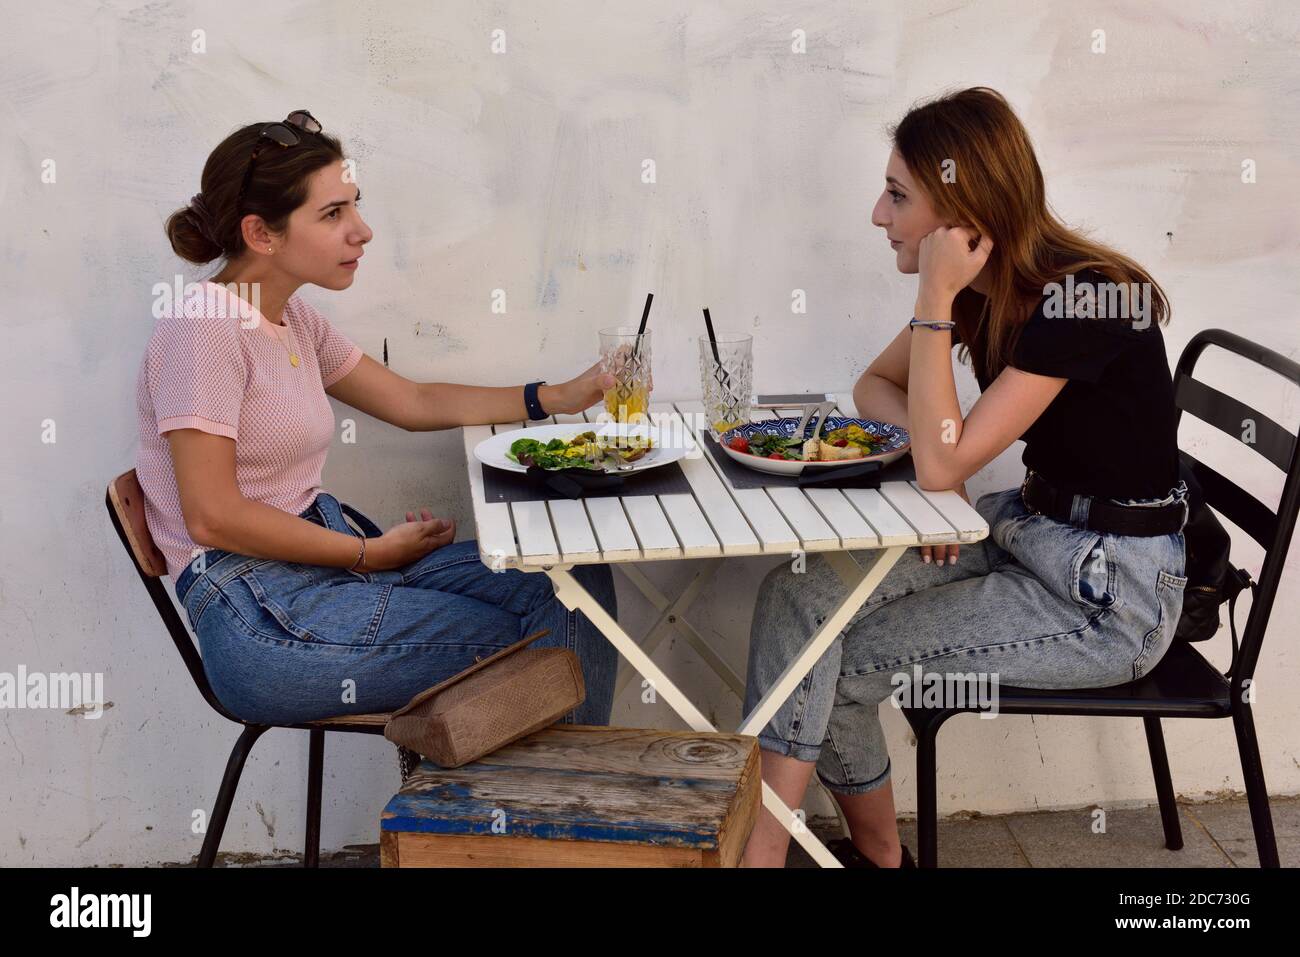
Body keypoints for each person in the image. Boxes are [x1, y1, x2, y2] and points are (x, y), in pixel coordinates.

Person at [741, 88, 1189, 867]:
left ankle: (778, 855)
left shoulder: (1087, 301)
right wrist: (943, 475)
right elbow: (873, 391)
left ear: (959, 209)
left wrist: (936, 296)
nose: (878, 217)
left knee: (835, 653)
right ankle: (858, 858)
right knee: (797, 593)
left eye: (896, 195)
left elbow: (944, 452)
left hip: (1109, 597)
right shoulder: (996, 288)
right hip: (1026, 535)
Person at [136, 110, 619, 729]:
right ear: (262, 233)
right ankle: (551, 807)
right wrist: (365, 553)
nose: (362, 231)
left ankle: (545, 801)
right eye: (333, 214)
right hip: (257, 615)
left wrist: (557, 397)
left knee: (568, 582)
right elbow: (213, 515)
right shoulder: (202, 329)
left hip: (319, 575)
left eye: (354, 205)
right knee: (526, 643)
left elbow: (410, 402)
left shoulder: (290, 318)